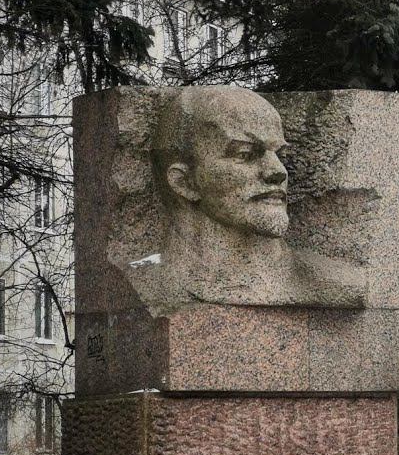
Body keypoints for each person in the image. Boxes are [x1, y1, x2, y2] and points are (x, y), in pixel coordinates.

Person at [135, 86, 366, 313]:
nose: (278, 171)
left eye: (279, 155)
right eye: (245, 154)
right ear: (184, 182)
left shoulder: (331, 282)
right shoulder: (145, 279)